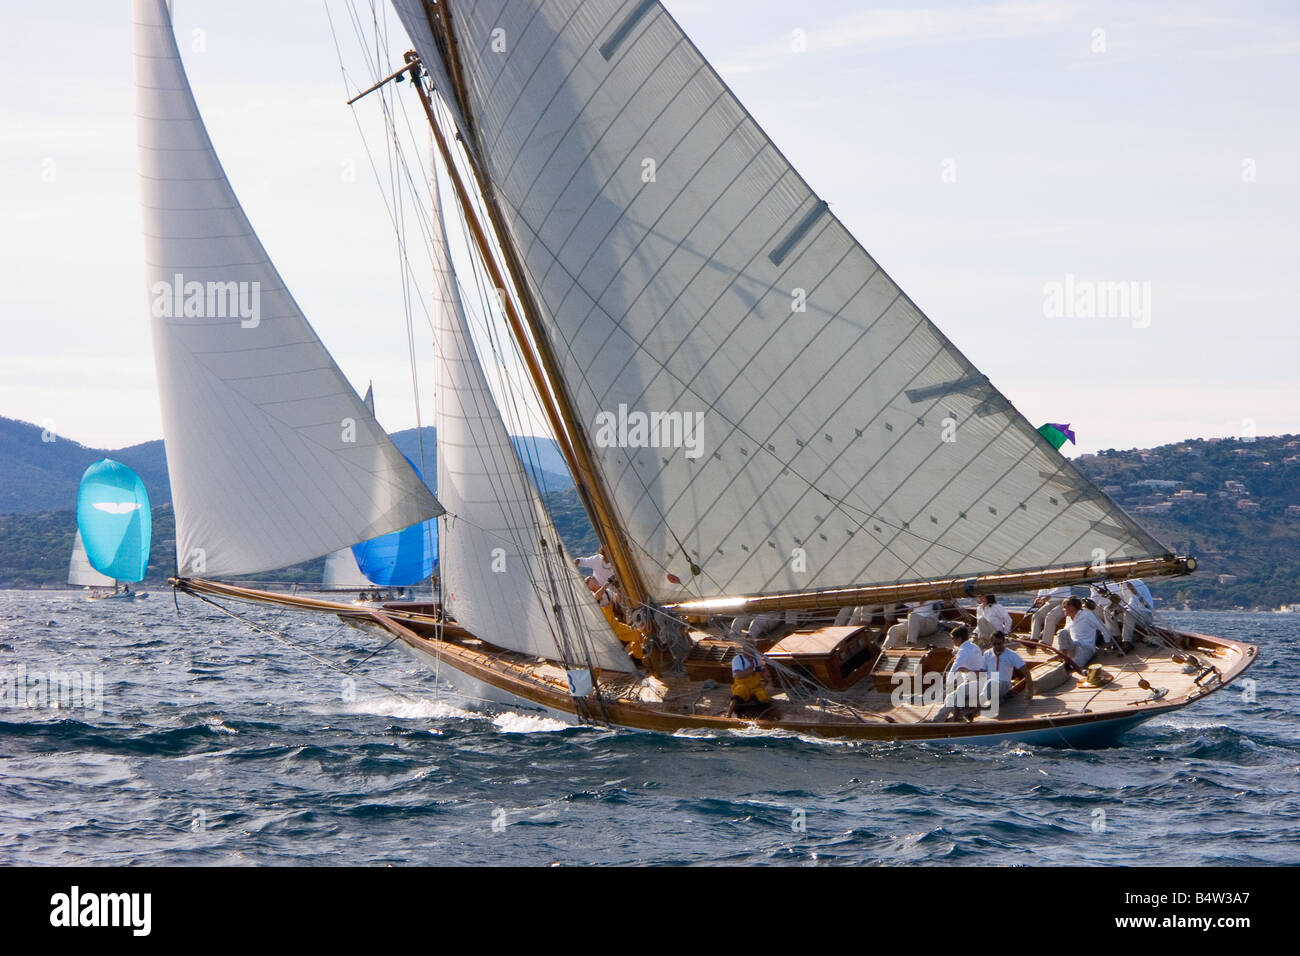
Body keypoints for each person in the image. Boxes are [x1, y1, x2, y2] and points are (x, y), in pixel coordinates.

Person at [928, 625, 985, 722]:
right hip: (981, 682)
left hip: (974, 684)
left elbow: (954, 669)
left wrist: (946, 685)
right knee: (954, 695)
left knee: (950, 697)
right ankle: (958, 716)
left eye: (953, 639)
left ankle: (937, 721)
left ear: (959, 638)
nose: (952, 641)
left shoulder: (963, 651)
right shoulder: (974, 646)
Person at [981, 631, 1033, 707]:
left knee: (991, 683)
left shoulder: (1012, 655)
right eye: (994, 644)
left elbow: (1026, 672)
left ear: (1004, 642)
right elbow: (982, 672)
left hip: (1004, 684)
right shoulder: (987, 654)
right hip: (989, 683)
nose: (997, 646)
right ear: (991, 643)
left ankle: (976, 707)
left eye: (999, 644)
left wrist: (1029, 691)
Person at [1055, 596, 1109, 668]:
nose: (1063, 609)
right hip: (1073, 645)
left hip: (1085, 647)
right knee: (1061, 632)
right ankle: (1064, 657)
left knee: (1075, 665)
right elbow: (1065, 633)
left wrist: (1108, 643)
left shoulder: (1087, 615)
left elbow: (1103, 628)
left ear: (1072, 607)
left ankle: (1068, 662)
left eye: (1065, 607)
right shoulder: (1068, 617)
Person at [727, 647, 773, 716]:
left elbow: (764, 670)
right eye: (750, 649)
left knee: (764, 698)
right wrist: (752, 670)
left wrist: (768, 681)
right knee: (739, 694)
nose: (752, 652)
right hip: (742, 685)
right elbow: (738, 675)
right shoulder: (737, 659)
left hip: (755, 686)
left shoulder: (758, 658)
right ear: (744, 649)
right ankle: (728, 714)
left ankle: (753, 707)